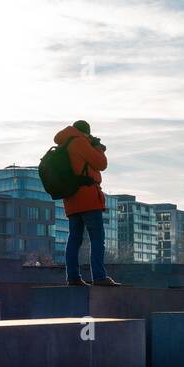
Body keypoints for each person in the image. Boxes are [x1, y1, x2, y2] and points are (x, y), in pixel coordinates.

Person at [53, 120, 120, 286]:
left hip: (71, 199)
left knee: (74, 238)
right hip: (88, 198)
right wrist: (98, 148)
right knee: (97, 238)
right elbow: (101, 164)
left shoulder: (64, 144)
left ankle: (73, 277)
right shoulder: (79, 142)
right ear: (85, 133)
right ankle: (99, 276)